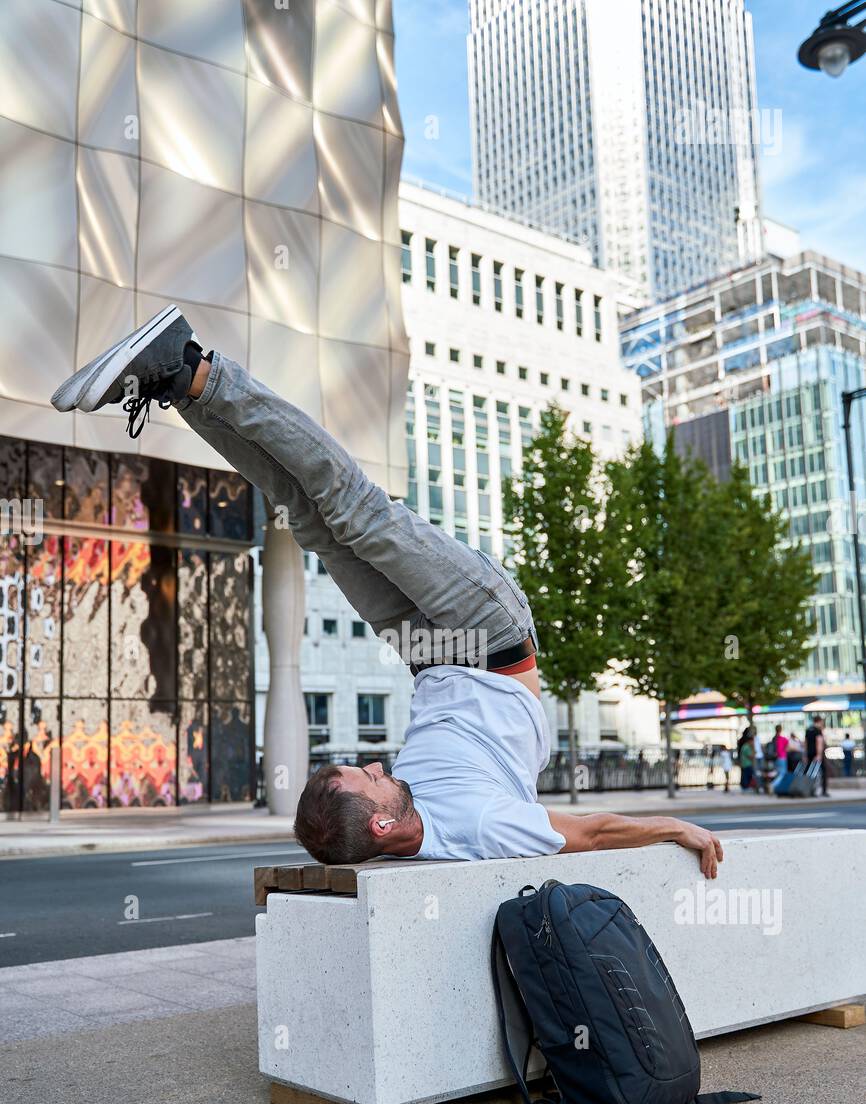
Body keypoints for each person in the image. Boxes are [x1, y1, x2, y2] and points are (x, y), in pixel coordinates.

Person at [51, 306, 723, 879]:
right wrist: (668, 825)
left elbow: (340, 839)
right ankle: (198, 365)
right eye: (370, 777)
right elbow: (593, 834)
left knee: (307, 519)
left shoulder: (386, 835)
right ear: (379, 824)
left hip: (426, 652)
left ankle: (178, 385)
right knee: (355, 509)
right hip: (489, 634)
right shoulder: (482, 827)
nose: (379, 762)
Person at [804, 716, 828, 797]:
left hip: (809, 754)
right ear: (820, 721)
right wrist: (819, 755)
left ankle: (810, 791)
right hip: (816, 755)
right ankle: (824, 791)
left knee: (809, 773)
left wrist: (805, 755)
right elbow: (819, 743)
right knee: (823, 773)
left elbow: (805, 743)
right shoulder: (818, 730)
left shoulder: (808, 730)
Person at [737, 725, 756, 792]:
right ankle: (746, 787)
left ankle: (745, 786)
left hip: (743, 761)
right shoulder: (746, 744)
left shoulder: (742, 741)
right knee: (746, 775)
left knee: (744, 774)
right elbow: (750, 755)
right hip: (746, 762)